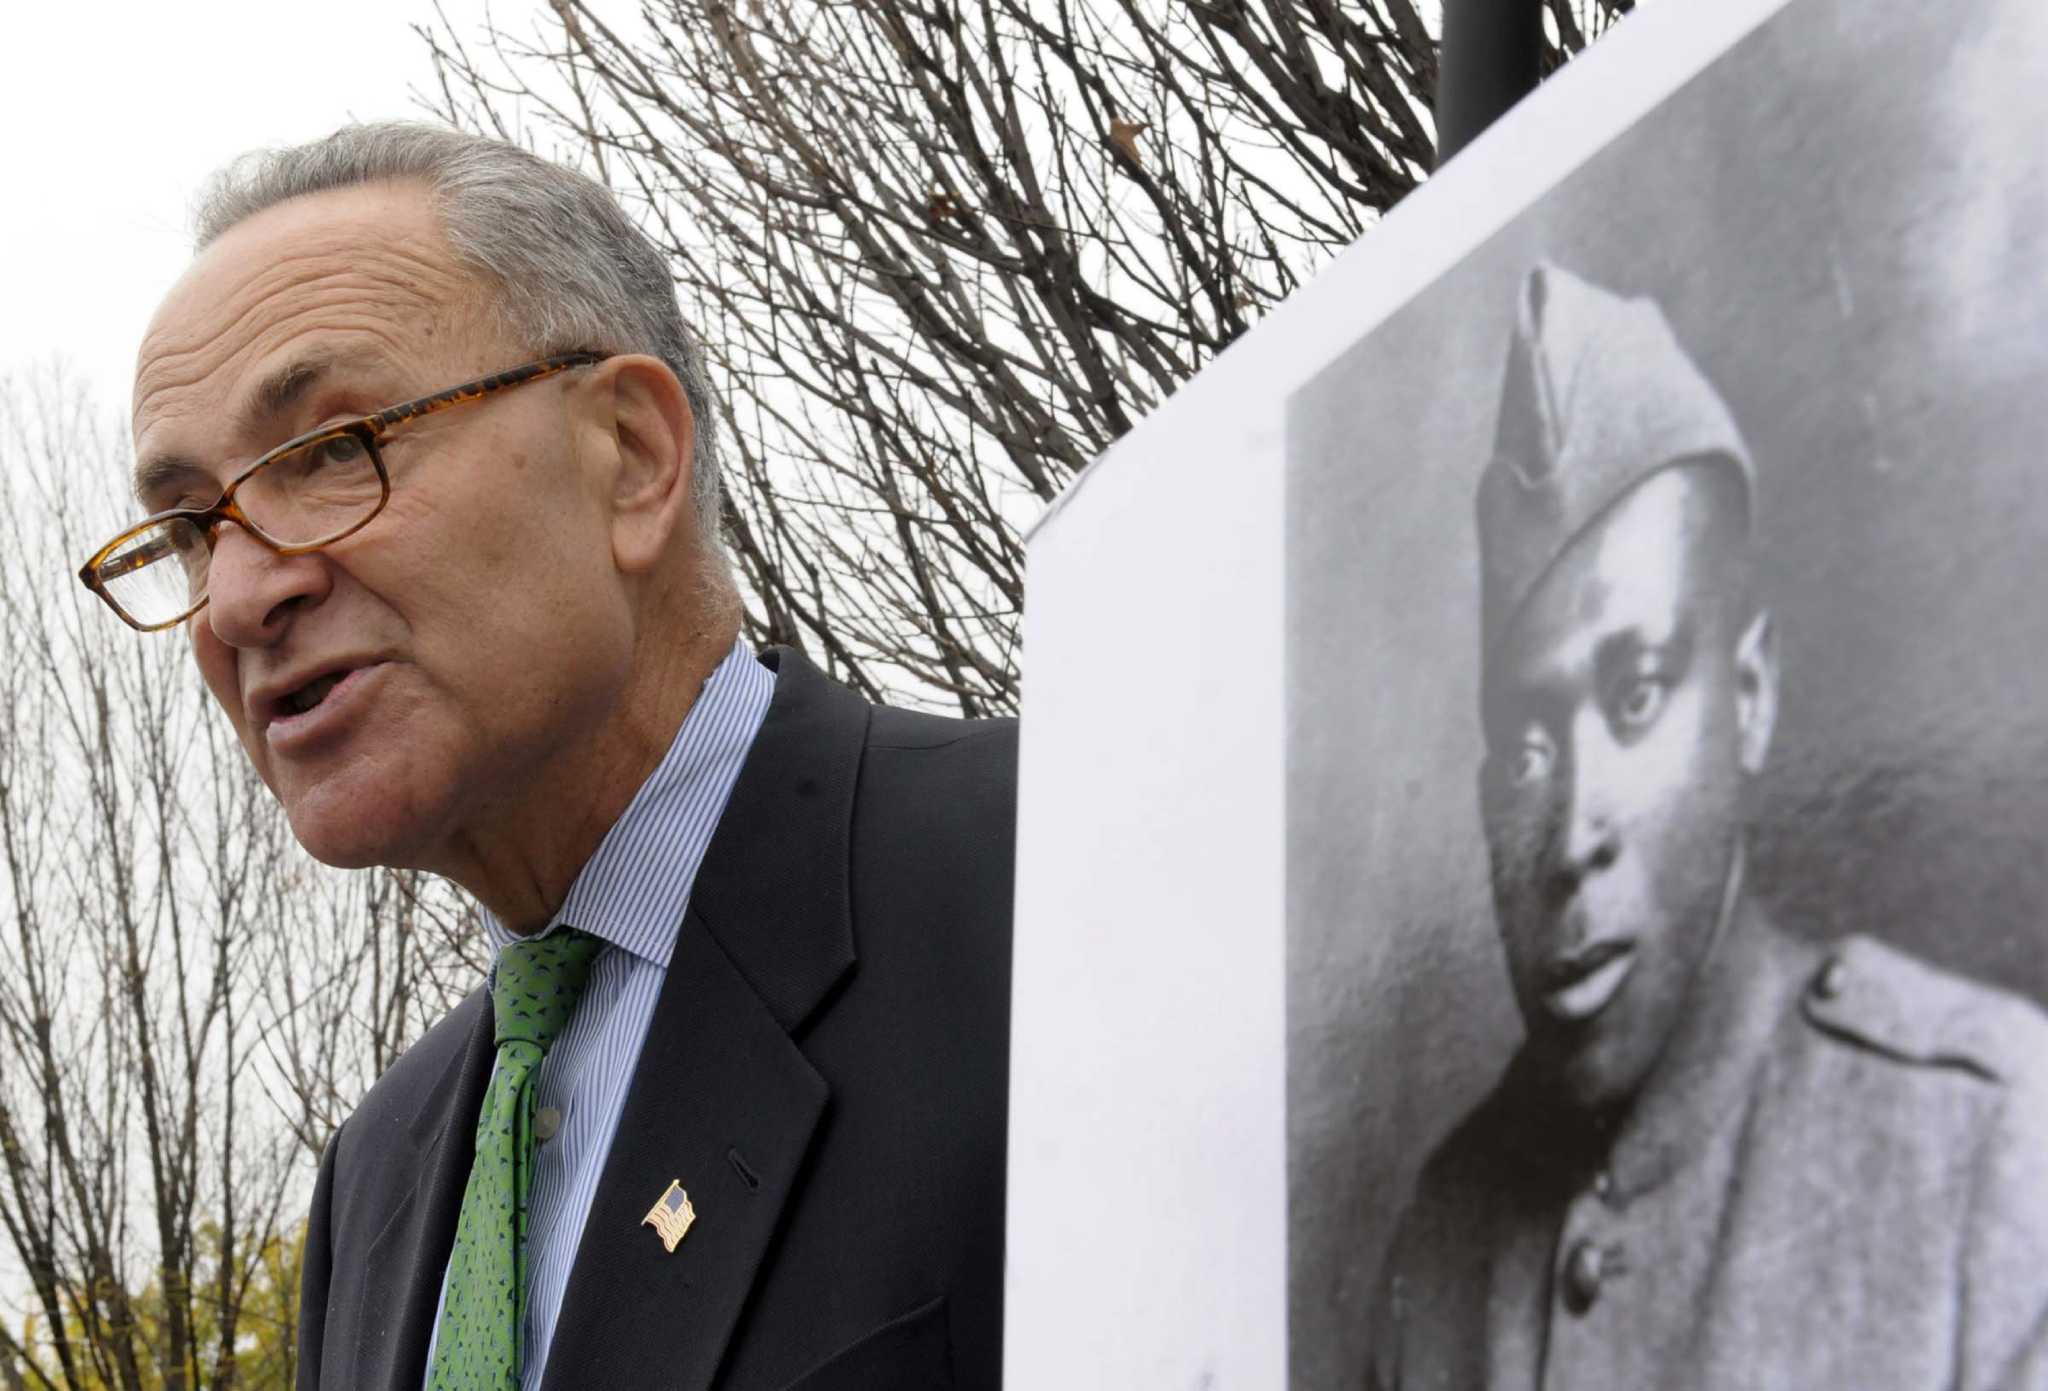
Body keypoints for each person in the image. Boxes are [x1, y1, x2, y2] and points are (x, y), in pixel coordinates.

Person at [83, 123, 1015, 1391]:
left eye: (327, 454)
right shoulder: (381, 1174)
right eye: (189, 528)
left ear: (629, 455)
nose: (239, 597)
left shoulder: (1048, 881)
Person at [1369, 262, 2048, 1390]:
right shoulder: (1439, 1247)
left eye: (1635, 693)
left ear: (1747, 697)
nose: (1571, 830)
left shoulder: (1984, 1149)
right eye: (1527, 743)